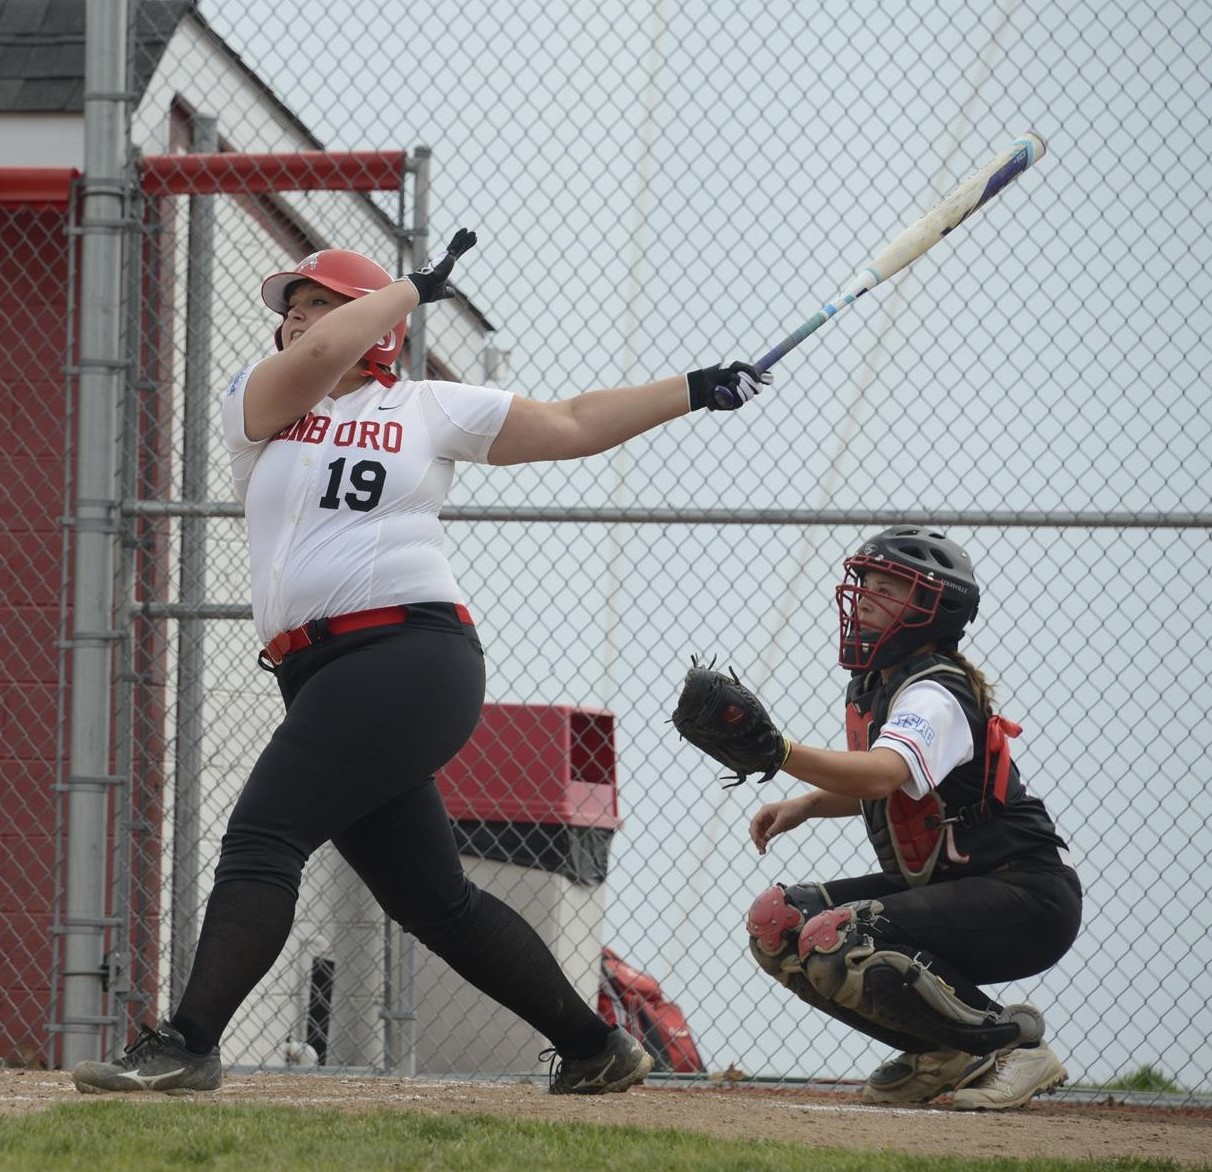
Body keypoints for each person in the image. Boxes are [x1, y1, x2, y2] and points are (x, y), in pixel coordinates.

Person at [71, 229, 771, 1096]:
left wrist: (695, 389)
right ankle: (596, 1047)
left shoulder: (423, 408)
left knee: (262, 835)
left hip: (411, 654)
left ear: (379, 330)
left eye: (317, 302)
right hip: (321, 675)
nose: (297, 321)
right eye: (290, 309)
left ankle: (188, 1041)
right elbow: (327, 351)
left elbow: (573, 422)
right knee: (436, 903)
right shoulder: (262, 403)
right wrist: (403, 290)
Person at [744, 526, 1082, 1110]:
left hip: (1024, 895)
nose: (865, 595)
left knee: (840, 934)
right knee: (780, 922)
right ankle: (944, 1051)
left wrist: (782, 753)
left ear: (932, 608)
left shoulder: (937, 692)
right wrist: (805, 803)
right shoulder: (879, 685)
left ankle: (1013, 1045)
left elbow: (881, 774)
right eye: (866, 581)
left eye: (888, 586)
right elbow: (898, 786)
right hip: (957, 886)